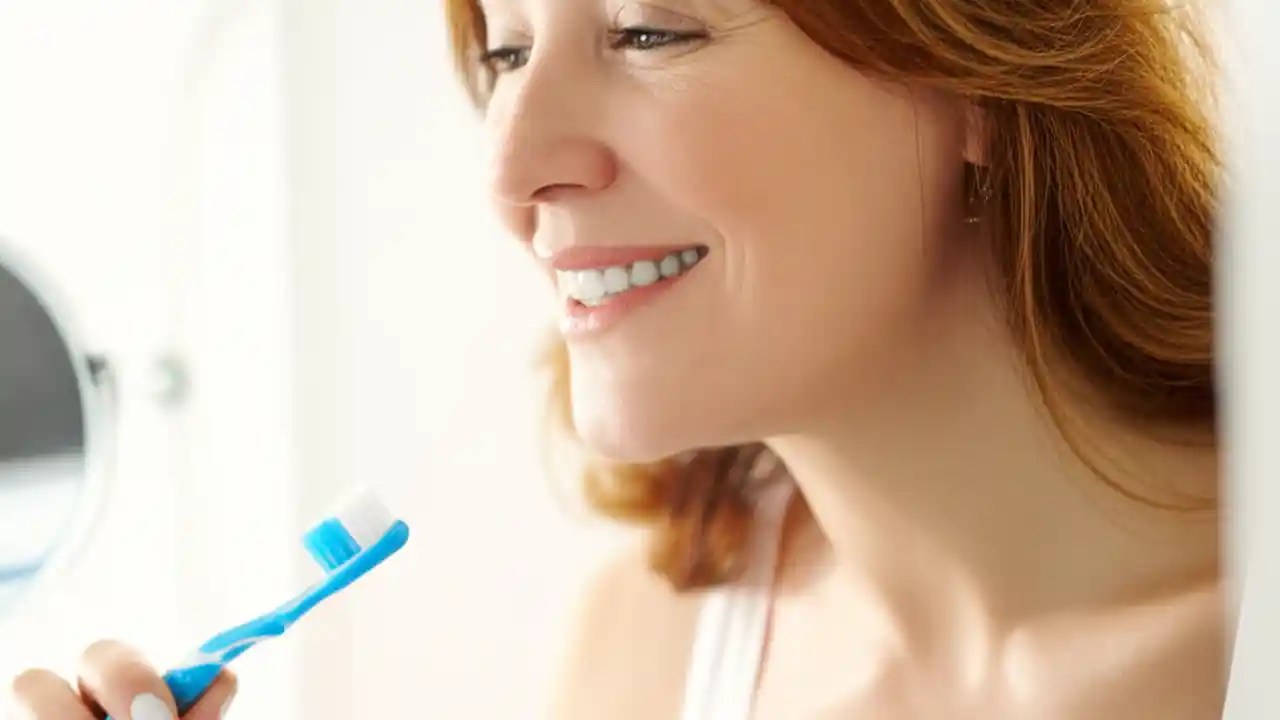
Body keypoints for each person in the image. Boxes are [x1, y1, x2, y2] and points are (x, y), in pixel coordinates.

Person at [7, 0, 1223, 717]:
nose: (509, 169)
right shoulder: (644, 651)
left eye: (647, 29)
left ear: (972, 71)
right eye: (504, 50)